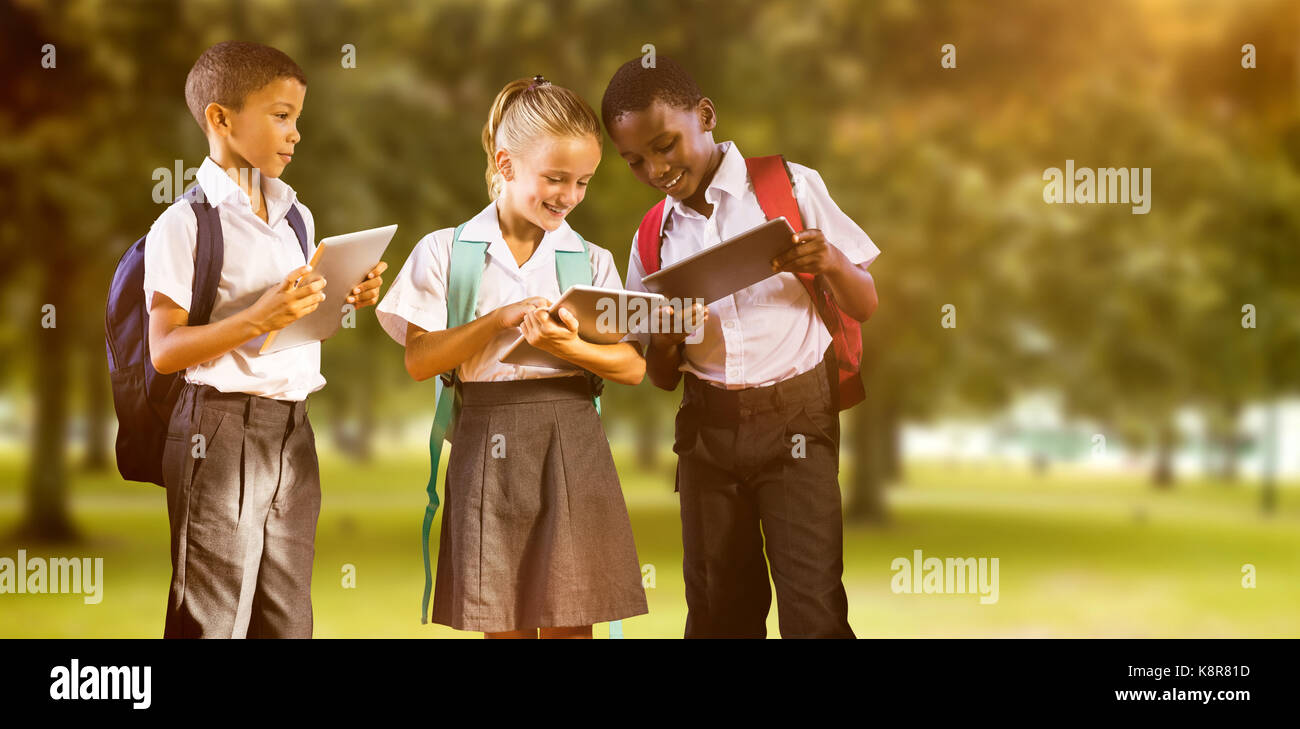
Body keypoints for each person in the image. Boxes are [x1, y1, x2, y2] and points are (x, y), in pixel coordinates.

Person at [602, 55, 880, 638]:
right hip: (708, 434)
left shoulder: (792, 186)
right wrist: (670, 339)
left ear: (705, 116)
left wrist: (829, 260)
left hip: (798, 422)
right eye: (634, 160)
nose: (655, 168)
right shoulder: (653, 237)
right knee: (717, 613)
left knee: (814, 611)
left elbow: (864, 304)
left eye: (665, 145)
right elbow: (660, 376)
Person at [376, 76, 649, 638]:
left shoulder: (591, 261)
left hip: (571, 440)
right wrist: (498, 320)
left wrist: (567, 347)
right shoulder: (445, 251)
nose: (569, 195)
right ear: (505, 164)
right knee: (501, 620)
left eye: (583, 182)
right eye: (554, 179)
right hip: (485, 440)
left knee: (572, 620)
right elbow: (420, 360)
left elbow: (633, 367)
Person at [145, 41, 386, 638]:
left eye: (297, 118)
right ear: (220, 119)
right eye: (280, 116)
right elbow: (165, 350)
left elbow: (297, 316)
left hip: (292, 431)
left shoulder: (294, 218)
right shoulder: (185, 223)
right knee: (213, 614)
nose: (295, 133)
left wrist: (345, 292)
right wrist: (259, 316)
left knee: (286, 619)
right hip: (220, 429)